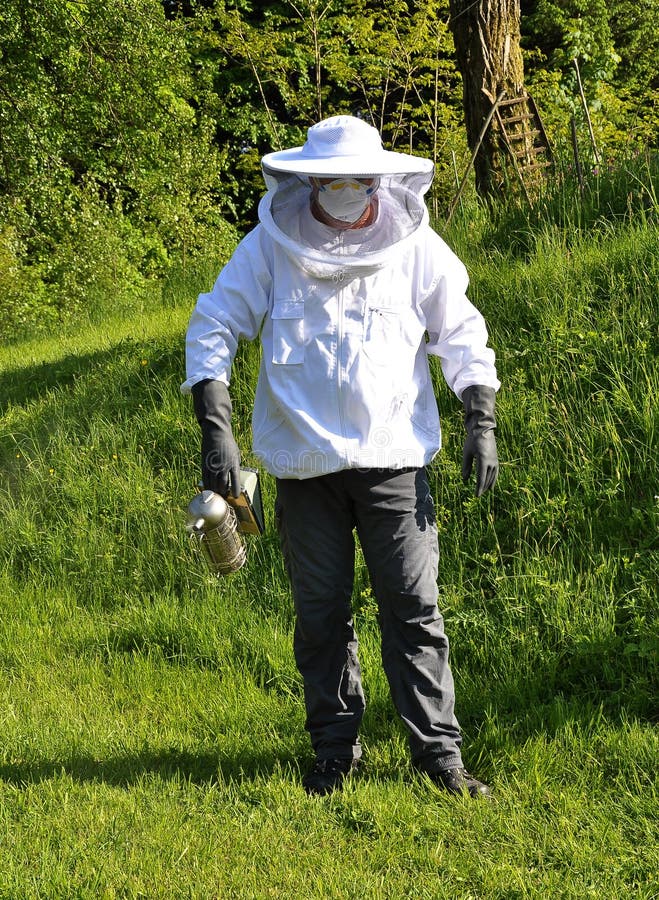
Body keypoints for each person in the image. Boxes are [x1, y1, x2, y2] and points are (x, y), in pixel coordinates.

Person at [182, 115, 500, 797]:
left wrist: (481, 417)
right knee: (320, 612)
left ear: (381, 180)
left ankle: (438, 756)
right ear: (310, 181)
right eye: (335, 181)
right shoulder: (268, 248)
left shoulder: (416, 247)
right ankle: (334, 748)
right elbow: (214, 322)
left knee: (413, 608)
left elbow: (461, 331)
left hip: (393, 462)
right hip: (304, 471)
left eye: (361, 180)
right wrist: (217, 431)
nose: (349, 191)